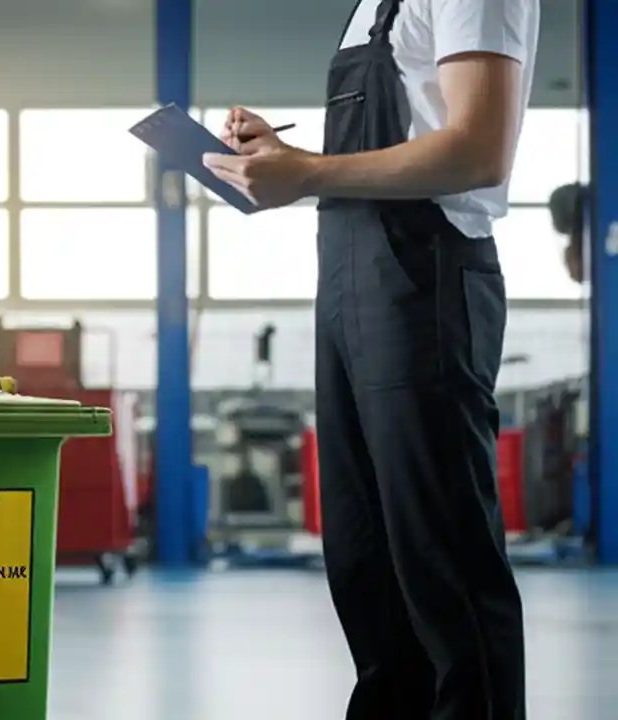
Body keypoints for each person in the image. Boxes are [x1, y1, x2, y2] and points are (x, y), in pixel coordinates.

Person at [204, 1, 539, 719]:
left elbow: (480, 149)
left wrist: (309, 171)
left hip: (424, 283)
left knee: (442, 561)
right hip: (355, 287)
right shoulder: (371, 7)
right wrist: (281, 163)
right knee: (366, 562)